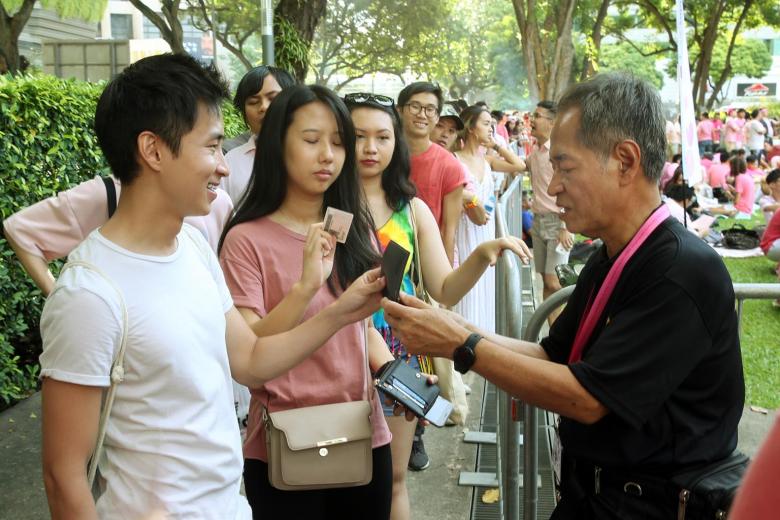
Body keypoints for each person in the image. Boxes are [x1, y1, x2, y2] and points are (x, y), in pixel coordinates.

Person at [382, 72, 744, 520]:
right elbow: (552, 354)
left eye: (566, 168)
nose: (551, 187)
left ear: (625, 161)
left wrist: (459, 345)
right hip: (593, 496)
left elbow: (587, 398)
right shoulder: (614, 253)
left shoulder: (681, 273)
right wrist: (455, 329)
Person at [39, 54, 386, 519]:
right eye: (212, 147)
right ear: (153, 150)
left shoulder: (193, 248)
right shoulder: (89, 295)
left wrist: (341, 311)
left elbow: (250, 362)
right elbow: (64, 477)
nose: (224, 167)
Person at [218, 85, 404, 519]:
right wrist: (305, 288)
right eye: (311, 140)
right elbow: (250, 348)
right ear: (276, 145)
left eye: (339, 143)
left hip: (362, 431)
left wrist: (397, 375)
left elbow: (363, 327)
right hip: (286, 439)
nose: (328, 156)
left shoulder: (352, 228)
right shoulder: (245, 240)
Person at [345, 92, 529, 520]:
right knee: (342, 480)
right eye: (357, 137)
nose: (371, 148)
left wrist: (485, 253)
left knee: (392, 481)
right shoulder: (323, 208)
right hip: (335, 350)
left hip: (401, 356)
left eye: (382, 137)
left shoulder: (412, 210)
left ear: (396, 143)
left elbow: (444, 289)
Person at [3, 175, 232, 296]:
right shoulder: (106, 194)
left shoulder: (218, 202)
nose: (223, 167)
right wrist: (59, 297)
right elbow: (20, 230)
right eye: (209, 146)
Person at [453, 104, 525, 333]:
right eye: (486, 124)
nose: (491, 128)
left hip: (486, 230)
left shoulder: (489, 160)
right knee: (467, 287)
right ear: (471, 128)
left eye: (493, 125)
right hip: (463, 231)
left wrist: (495, 145)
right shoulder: (454, 159)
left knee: (485, 287)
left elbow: (520, 165)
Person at [397, 82, 466, 266]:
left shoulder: (451, 167)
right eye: (415, 106)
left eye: (430, 109)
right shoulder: (382, 155)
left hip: (424, 265)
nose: (422, 114)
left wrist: (445, 288)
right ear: (399, 110)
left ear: (436, 116)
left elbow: (447, 232)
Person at [527, 100, 573, 323]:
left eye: (537, 116)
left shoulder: (558, 152)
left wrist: (565, 226)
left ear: (552, 123)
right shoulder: (536, 152)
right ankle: (552, 333)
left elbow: (567, 186)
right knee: (546, 281)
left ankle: (564, 332)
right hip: (538, 222)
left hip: (557, 222)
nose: (532, 120)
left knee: (555, 282)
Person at [222, 65, 295, 204]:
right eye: (253, 102)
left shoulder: (311, 156)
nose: (263, 107)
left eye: (273, 98)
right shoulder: (230, 162)